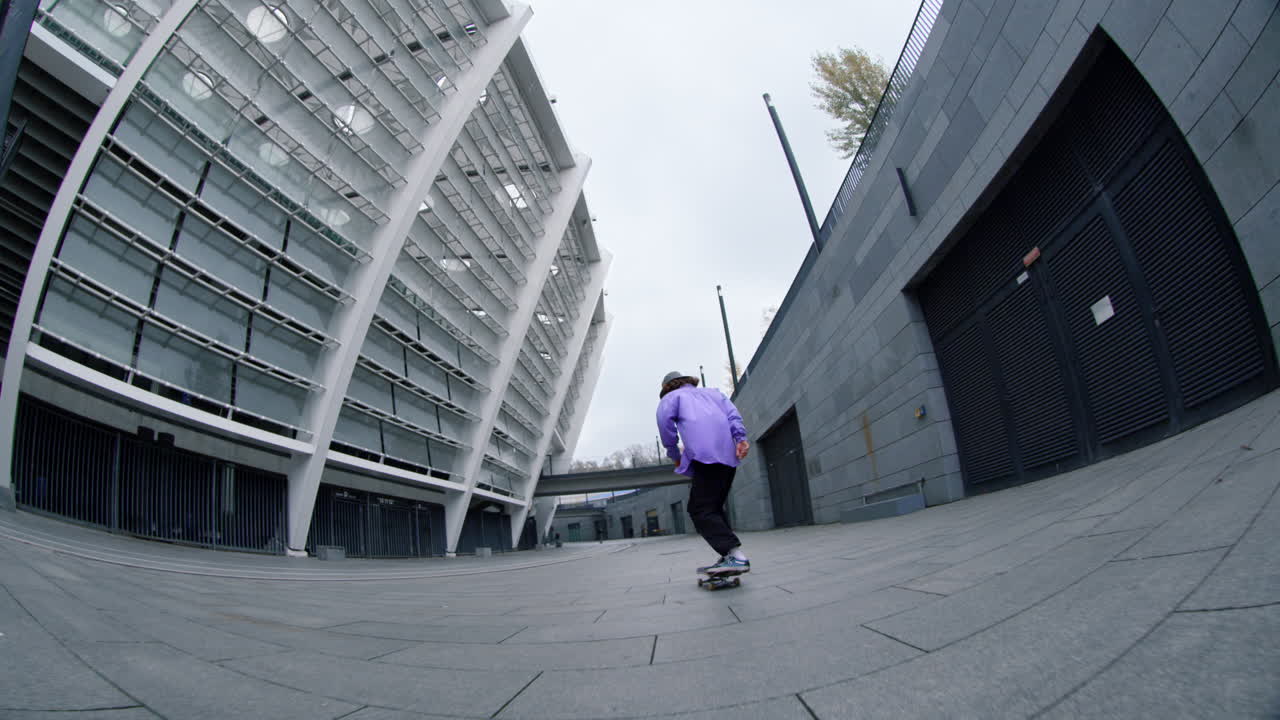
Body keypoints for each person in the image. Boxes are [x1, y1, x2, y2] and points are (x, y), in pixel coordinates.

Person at [655, 371, 751, 575]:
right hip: (729, 457)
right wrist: (740, 438)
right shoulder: (714, 393)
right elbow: (733, 415)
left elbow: (665, 428)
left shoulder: (671, 398)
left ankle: (735, 555)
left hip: (705, 456)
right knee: (713, 508)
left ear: (666, 388)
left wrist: (675, 455)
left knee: (699, 509)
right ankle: (728, 556)